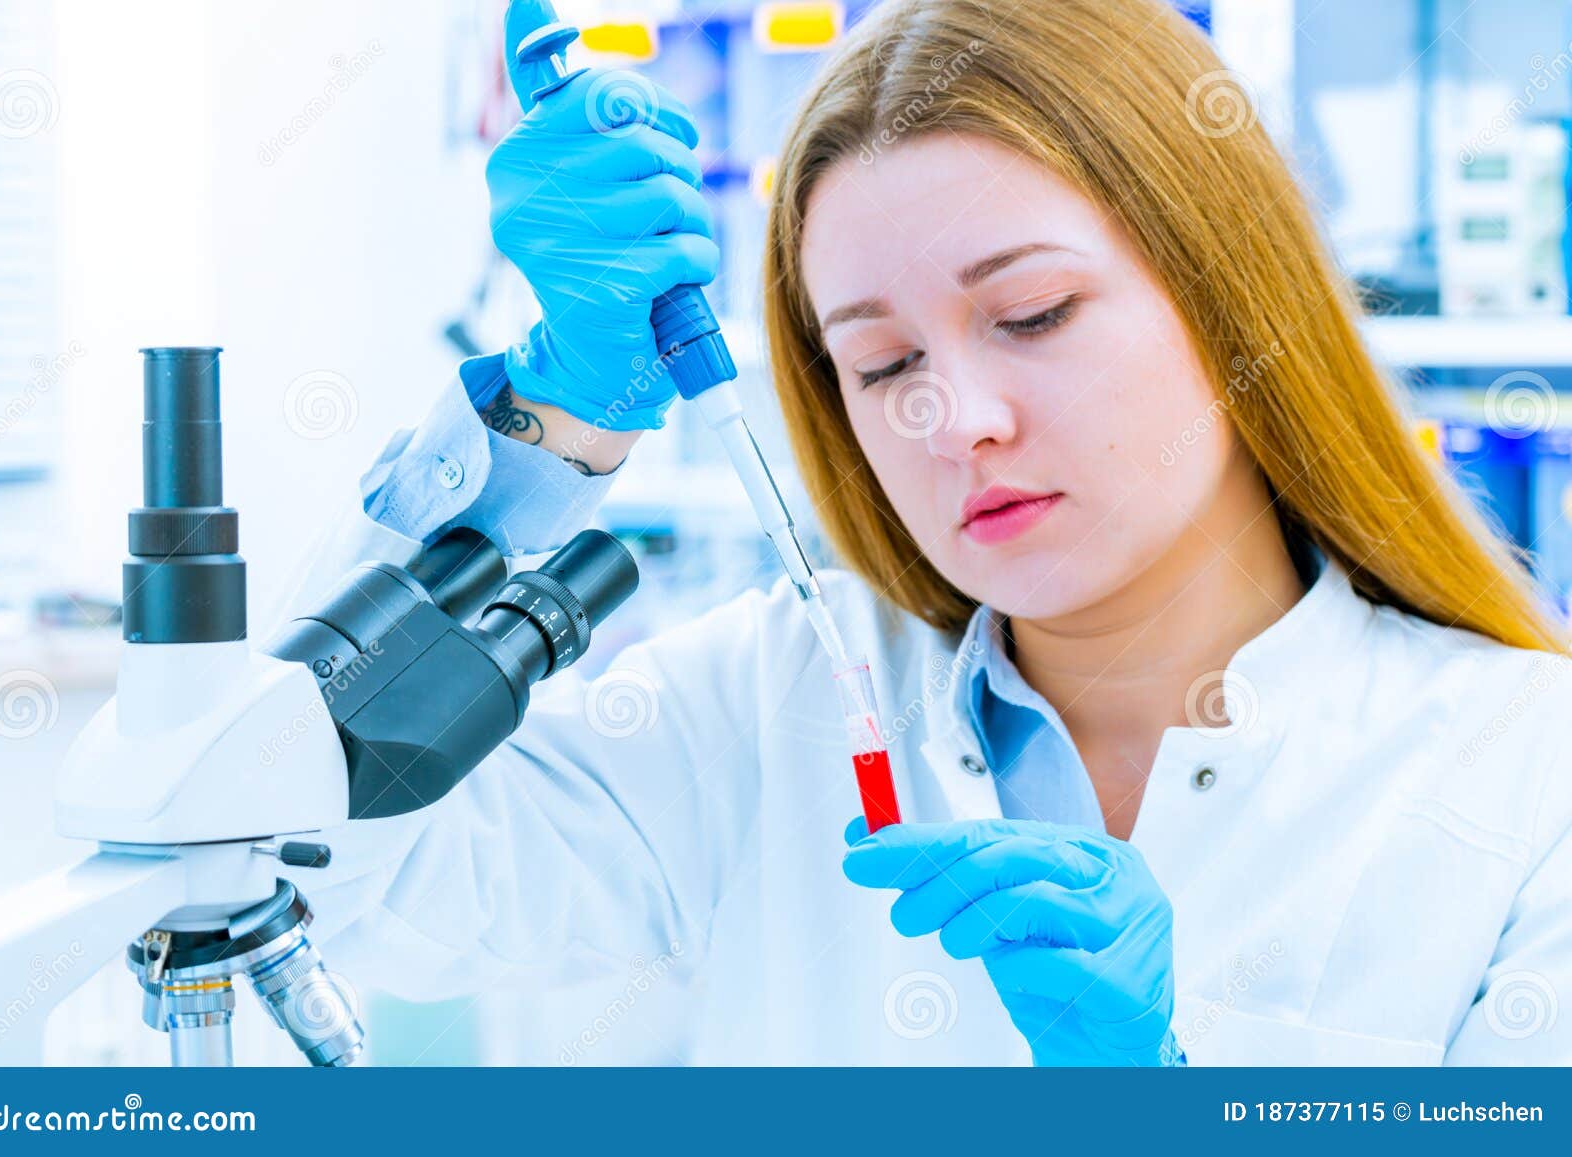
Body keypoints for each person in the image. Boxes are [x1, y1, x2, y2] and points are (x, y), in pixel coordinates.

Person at [295, 0, 1572, 1065]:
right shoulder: (758, 705)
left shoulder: (1526, 777)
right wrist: (552, 417)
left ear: (1232, 302)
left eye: (1032, 313)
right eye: (881, 356)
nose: (953, 417)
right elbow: (285, 857)